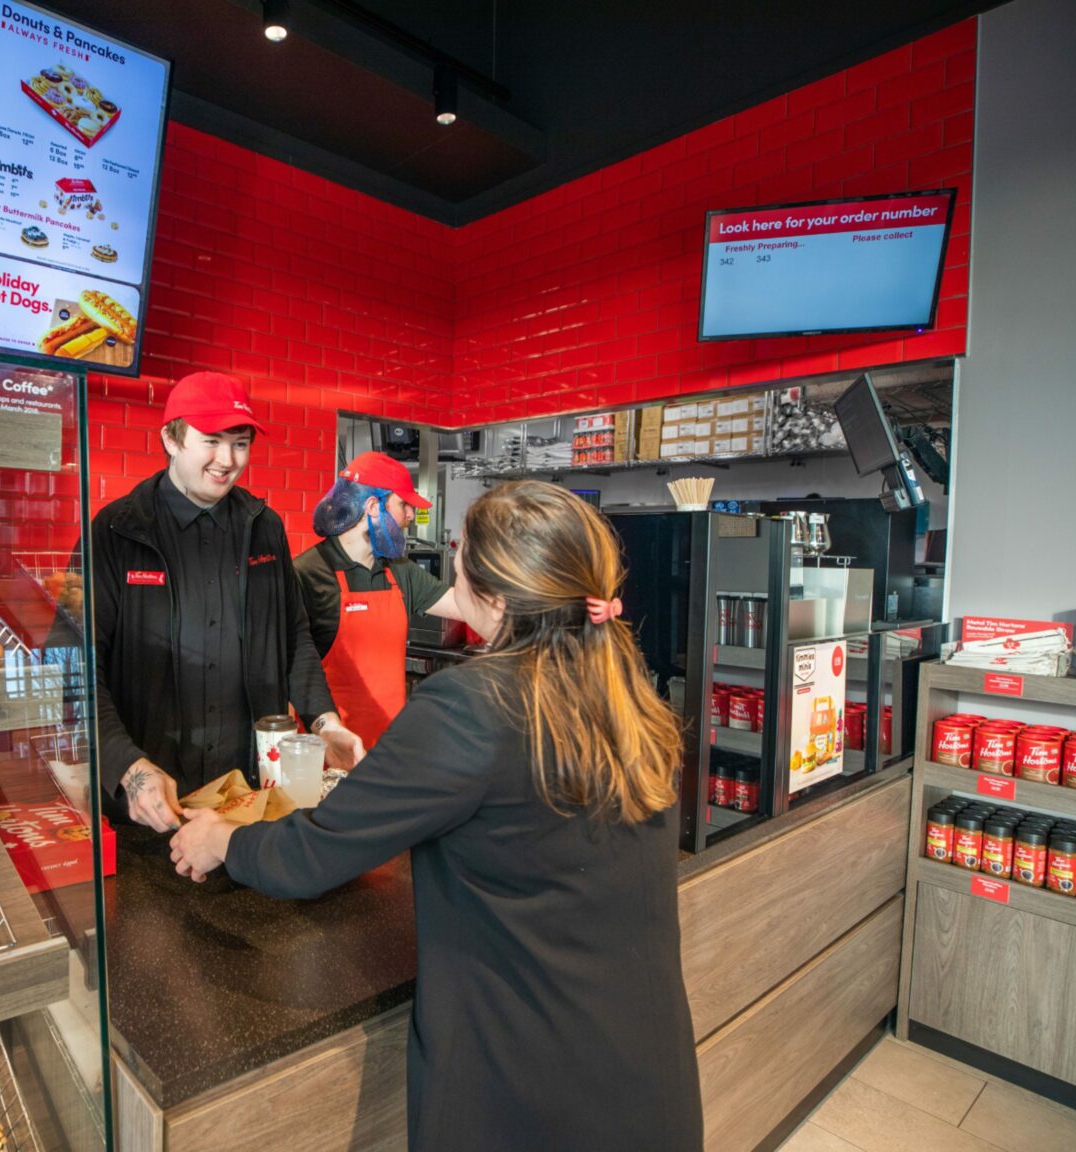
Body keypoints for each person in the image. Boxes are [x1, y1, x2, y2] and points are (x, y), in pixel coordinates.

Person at [169, 480, 702, 1151]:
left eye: (461, 562)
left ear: (498, 599)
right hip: (643, 1078)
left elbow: (316, 850)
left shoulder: (474, 705)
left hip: (527, 1092)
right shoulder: (623, 691)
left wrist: (225, 838)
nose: (451, 572)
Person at [89, 371, 364, 832]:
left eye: (240, 443)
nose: (227, 460)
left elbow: (293, 637)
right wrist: (127, 766)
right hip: (154, 799)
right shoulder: (117, 530)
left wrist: (325, 724)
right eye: (211, 441)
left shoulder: (265, 527)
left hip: (246, 795)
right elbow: (77, 666)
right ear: (171, 439)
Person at [294, 451, 462, 748]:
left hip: (388, 749)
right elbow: (290, 667)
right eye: (404, 504)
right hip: (328, 753)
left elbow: (463, 606)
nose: (410, 516)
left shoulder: (400, 571)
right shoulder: (306, 573)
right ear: (372, 506)